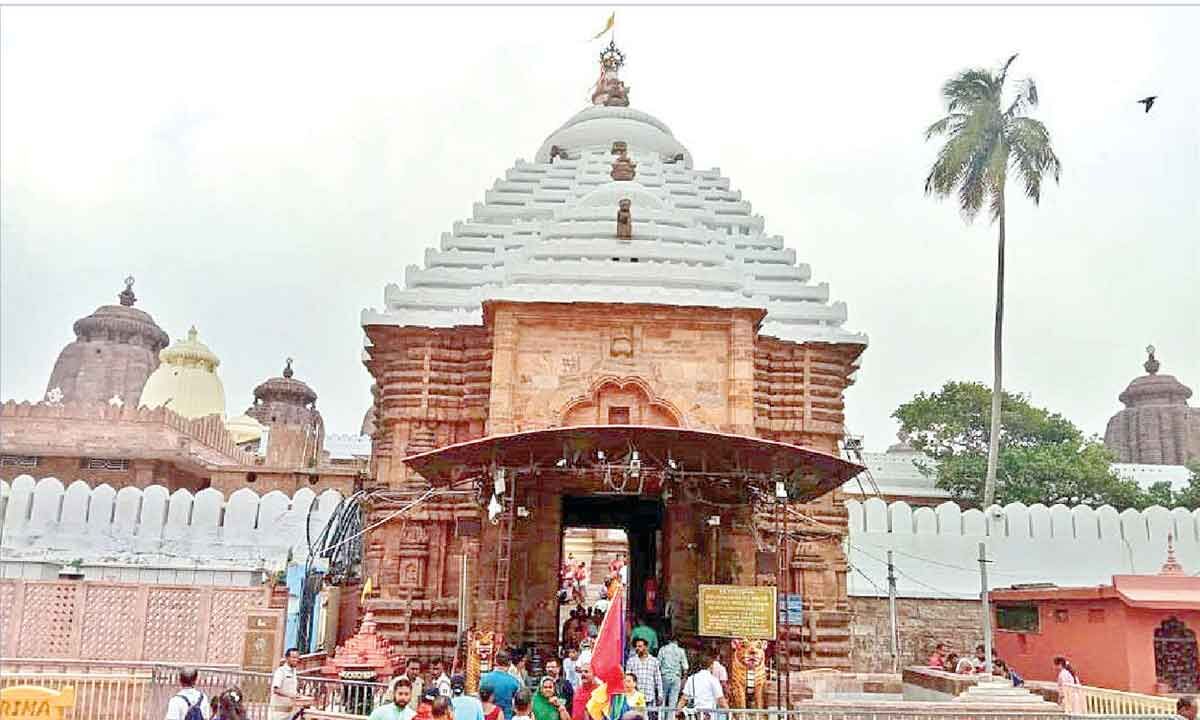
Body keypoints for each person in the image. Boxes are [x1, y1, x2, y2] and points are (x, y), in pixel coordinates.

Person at [270, 649, 310, 720]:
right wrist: (290, 695)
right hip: (279, 712)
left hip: (290, 712)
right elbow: (276, 689)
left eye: (297, 657)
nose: (296, 660)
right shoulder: (281, 671)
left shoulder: (294, 672)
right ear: (287, 658)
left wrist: (298, 696)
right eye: (293, 657)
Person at [481, 650, 522, 720]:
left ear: (496, 662)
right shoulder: (514, 682)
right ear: (509, 663)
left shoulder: (484, 679)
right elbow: (520, 703)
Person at [625, 638, 662, 709]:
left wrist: (660, 695)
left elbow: (658, 679)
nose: (637, 648)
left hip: (649, 696)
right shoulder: (631, 661)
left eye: (640, 646)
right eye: (636, 646)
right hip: (635, 698)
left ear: (646, 647)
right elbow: (627, 679)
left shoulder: (654, 661)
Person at [657, 633, 688, 710]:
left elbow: (657, 665)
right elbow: (685, 667)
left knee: (662, 699)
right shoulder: (681, 651)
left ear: (668, 640)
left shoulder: (662, 649)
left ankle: (661, 718)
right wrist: (684, 679)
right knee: (673, 702)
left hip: (664, 677)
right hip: (676, 677)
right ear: (677, 641)